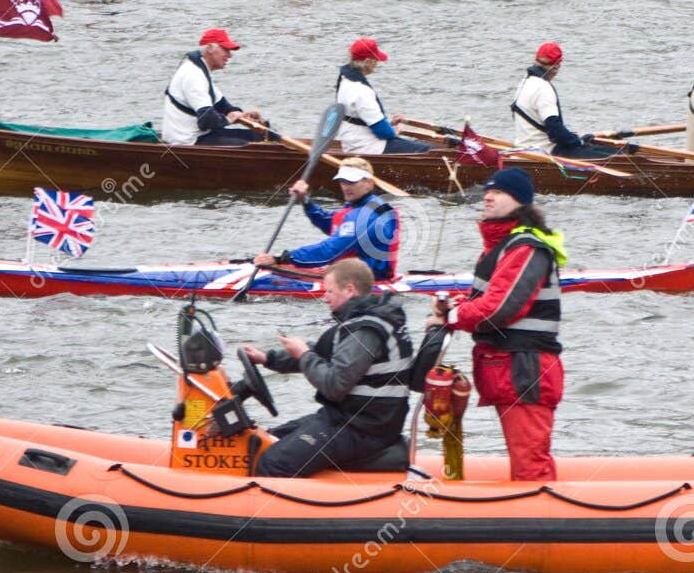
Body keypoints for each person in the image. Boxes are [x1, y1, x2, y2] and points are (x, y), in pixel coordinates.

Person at [426, 168, 564, 481]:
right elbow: (486, 300)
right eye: (487, 191)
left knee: (530, 465)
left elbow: (499, 308)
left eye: (498, 192)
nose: (487, 197)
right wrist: (454, 306)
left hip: (526, 370)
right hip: (510, 368)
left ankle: (541, 508)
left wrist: (452, 317)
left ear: (519, 201)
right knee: (527, 459)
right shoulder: (502, 247)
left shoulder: (526, 248)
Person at [241, 259, 415, 477]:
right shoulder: (367, 320)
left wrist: (303, 355)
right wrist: (267, 358)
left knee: (272, 463)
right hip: (356, 420)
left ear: (349, 290)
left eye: (329, 291)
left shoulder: (365, 331)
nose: (324, 297)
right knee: (271, 437)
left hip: (363, 428)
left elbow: (334, 385)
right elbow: (322, 351)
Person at [255, 157, 400, 281]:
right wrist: (305, 200)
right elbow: (332, 223)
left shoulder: (366, 215)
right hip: (353, 272)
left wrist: (281, 258)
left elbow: (329, 251)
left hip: (366, 280)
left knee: (279, 266)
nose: (345, 187)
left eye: (351, 182)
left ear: (369, 184)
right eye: (343, 182)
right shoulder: (359, 206)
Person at [510, 42, 619, 161]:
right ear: (556, 66)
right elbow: (555, 131)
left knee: (596, 148)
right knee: (616, 155)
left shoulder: (524, 83)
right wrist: (578, 142)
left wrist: (574, 137)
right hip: (546, 151)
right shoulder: (544, 88)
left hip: (523, 147)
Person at [160, 28, 265, 146]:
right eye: (225, 49)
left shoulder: (200, 70)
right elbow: (207, 120)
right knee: (249, 145)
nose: (230, 55)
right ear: (210, 48)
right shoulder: (193, 74)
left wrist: (242, 115)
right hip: (186, 140)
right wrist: (229, 119)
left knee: (258, 136)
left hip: (201, 134)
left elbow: (222, 106)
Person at [336, 37, 432, 155]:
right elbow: (383, 132)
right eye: (376, 60)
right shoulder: (362, 91)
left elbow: (361, 117)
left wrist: (389, 124)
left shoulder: (344, 80)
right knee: (428, 150)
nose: (377, 64)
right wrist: (393, 131)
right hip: (367, 147)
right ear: (368, 61)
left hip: (350, 141)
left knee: (414, 143)